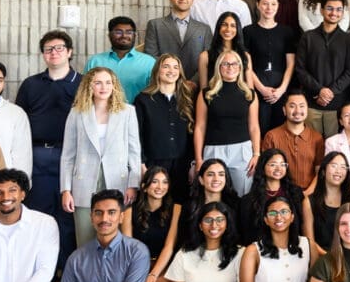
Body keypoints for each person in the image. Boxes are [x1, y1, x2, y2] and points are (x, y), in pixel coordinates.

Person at [16, 30, 82, 264]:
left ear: (70, 52)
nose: (54, 53)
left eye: (59, 48)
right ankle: (42, 277)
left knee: (68, 217)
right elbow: (19, 121)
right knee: (38, 216)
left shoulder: (83, 83)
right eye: (48, 49)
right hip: (36, 156)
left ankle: (66, 276)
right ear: (43, 54)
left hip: (72, 156)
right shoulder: (31, 84)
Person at [60, 68, 141, 247]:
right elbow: (68, 154)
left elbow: (134, 151)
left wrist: (133, 184)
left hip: (118, 180)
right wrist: (66, 190)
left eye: (108, 82)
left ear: (114, 86)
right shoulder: (77, 113)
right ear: (89, 86)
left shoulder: (127, 112)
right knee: (85, 237)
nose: (103, 87)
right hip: (84, 180)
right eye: (98, 82)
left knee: (116, 239)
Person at [194, 51, 260, 195]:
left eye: (234, 63)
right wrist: (199, 158)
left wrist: (256, 154)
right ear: (219, 67)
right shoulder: (206, 93)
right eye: (225, 64)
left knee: (242, 195)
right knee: (212, 195)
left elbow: (254, 127)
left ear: (240, 67)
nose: (230, 67)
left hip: (242, 151)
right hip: (213, 149)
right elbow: (199, 127)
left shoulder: (250, 94)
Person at [293, 0, 350, 138]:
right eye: (329, 8)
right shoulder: (308, 37)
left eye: (338, 9)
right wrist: (319, 90)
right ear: (321, 10)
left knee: (334, 151)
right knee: (311, 148)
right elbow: (300, 70)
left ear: (343, 12)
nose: (334, 13)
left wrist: (330, 92)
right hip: (311, 102)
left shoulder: (348, 39)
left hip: (338, 105)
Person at [134, 54, 196, 200]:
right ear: (157, 71)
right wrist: (141, 164)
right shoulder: (143, 100)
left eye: (175, 67)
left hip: (182, 164)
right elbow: (137, 135)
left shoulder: (187, 99)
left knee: (179, 205)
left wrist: (193, 163)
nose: (171, 71)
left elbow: (193, 134)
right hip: (153, 163)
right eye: (166, 66)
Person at [123, 166, 175, 282]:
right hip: (138, 263)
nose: (160, 187)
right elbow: (128, 246)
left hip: (165, 264)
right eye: (155, 182)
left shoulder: (176, 209)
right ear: (144, 186)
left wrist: (153, 273)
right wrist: (140, 272)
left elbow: (169, 247)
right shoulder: (130, 211)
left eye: (165, 182)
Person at [244, 0, 298, 133]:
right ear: (258, 5)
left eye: (273, 4)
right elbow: (246, 65)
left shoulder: (287, 32)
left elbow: (291, 63)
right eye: (265, 4)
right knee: (259, 128)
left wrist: (282, 89)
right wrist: (261, 88)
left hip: (280, 89)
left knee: (280, 129)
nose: (269, 8)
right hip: (257, 87)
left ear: (278, 6)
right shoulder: (248, 31)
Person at [240, 149, 316, 249]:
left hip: (292, 247)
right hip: (261, 249)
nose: (278, 168)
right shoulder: (249, 200)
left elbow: (302, 224)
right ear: (262, 167)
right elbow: (246, 233)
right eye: (273, 164)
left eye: (282, 164)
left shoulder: (295, 193)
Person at [145, 0, 213, 81]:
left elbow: (208, 59)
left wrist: (194, 82)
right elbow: (151, 57)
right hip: (164, 83)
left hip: (194, 86)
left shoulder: (204, 29)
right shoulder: (155, 25)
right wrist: (169, 78)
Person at [260, 89, 324, 190]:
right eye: (292, 106)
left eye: (302, 106)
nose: (298, 111)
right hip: (280, 194)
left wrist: (306, 195)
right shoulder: (272, 136)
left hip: (309, 194)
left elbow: (319, 173)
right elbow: (266, 172)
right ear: (284, 110)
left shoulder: (317, 138)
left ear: (307, 109)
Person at [82, 19, 153, 107]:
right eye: (118, 32)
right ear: (109, 35)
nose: (124, 36)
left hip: (139, 115)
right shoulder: (95, 61)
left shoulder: (149, 62)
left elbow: (154, 94)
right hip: (101, 115)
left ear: (135, 35)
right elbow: (85, 92)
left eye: (129, 32)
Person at [197, 11, 252, 89]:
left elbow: (250, 89)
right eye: (224, 25)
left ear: (238, 29)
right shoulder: (205, 56)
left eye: (233, 26)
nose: (228, 29)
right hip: (213, 99)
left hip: (240, 99)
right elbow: (203, 89)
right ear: (218, 28)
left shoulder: (245, 56)